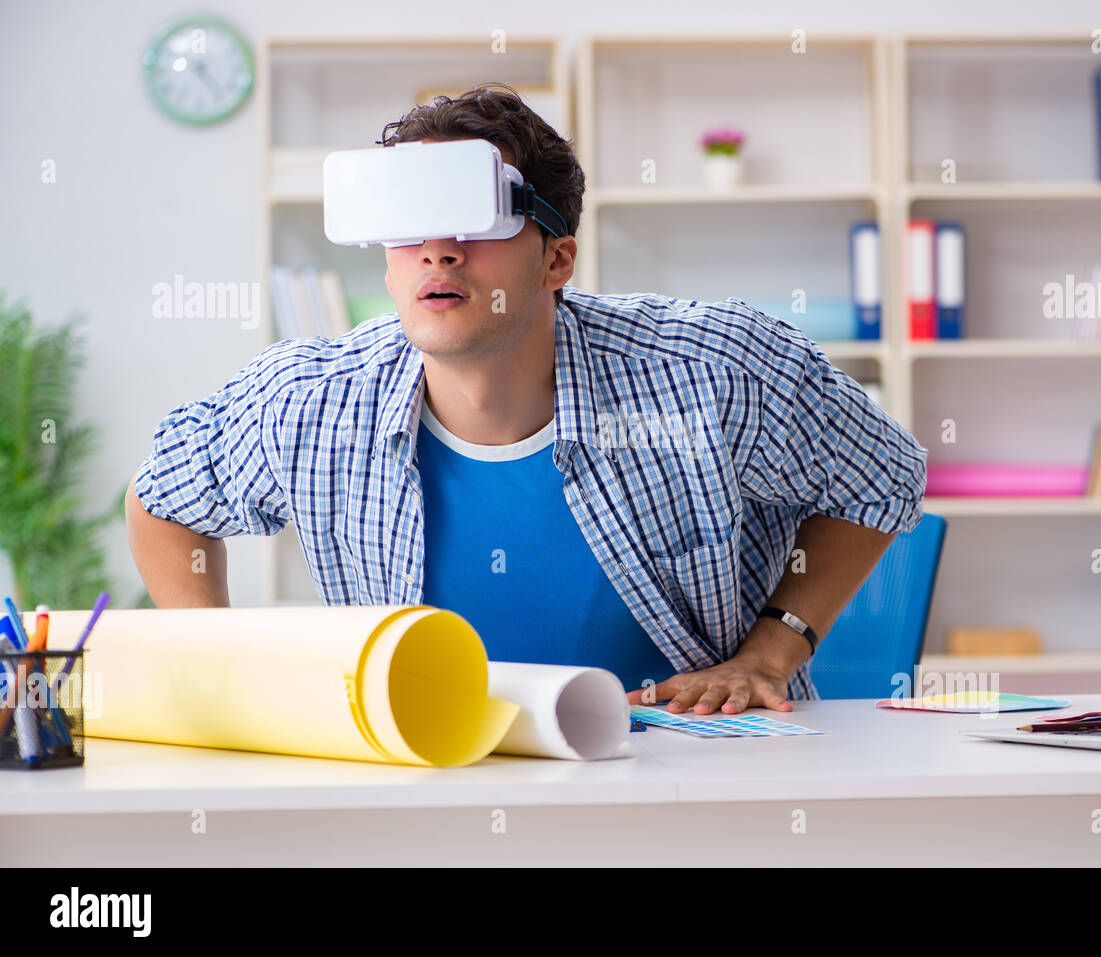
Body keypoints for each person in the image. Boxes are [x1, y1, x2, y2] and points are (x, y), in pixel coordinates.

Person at [125, 83, 928, 716]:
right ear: (388, 265)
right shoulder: (306, 401)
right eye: (411, 224)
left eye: (476, 218)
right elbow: (161, 498)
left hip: (686, 775)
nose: (439, 248)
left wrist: (771, 650)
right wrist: (217, 669)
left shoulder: (710, 371)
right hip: (430, 779)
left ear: (556, 260)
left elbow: (884, 472)